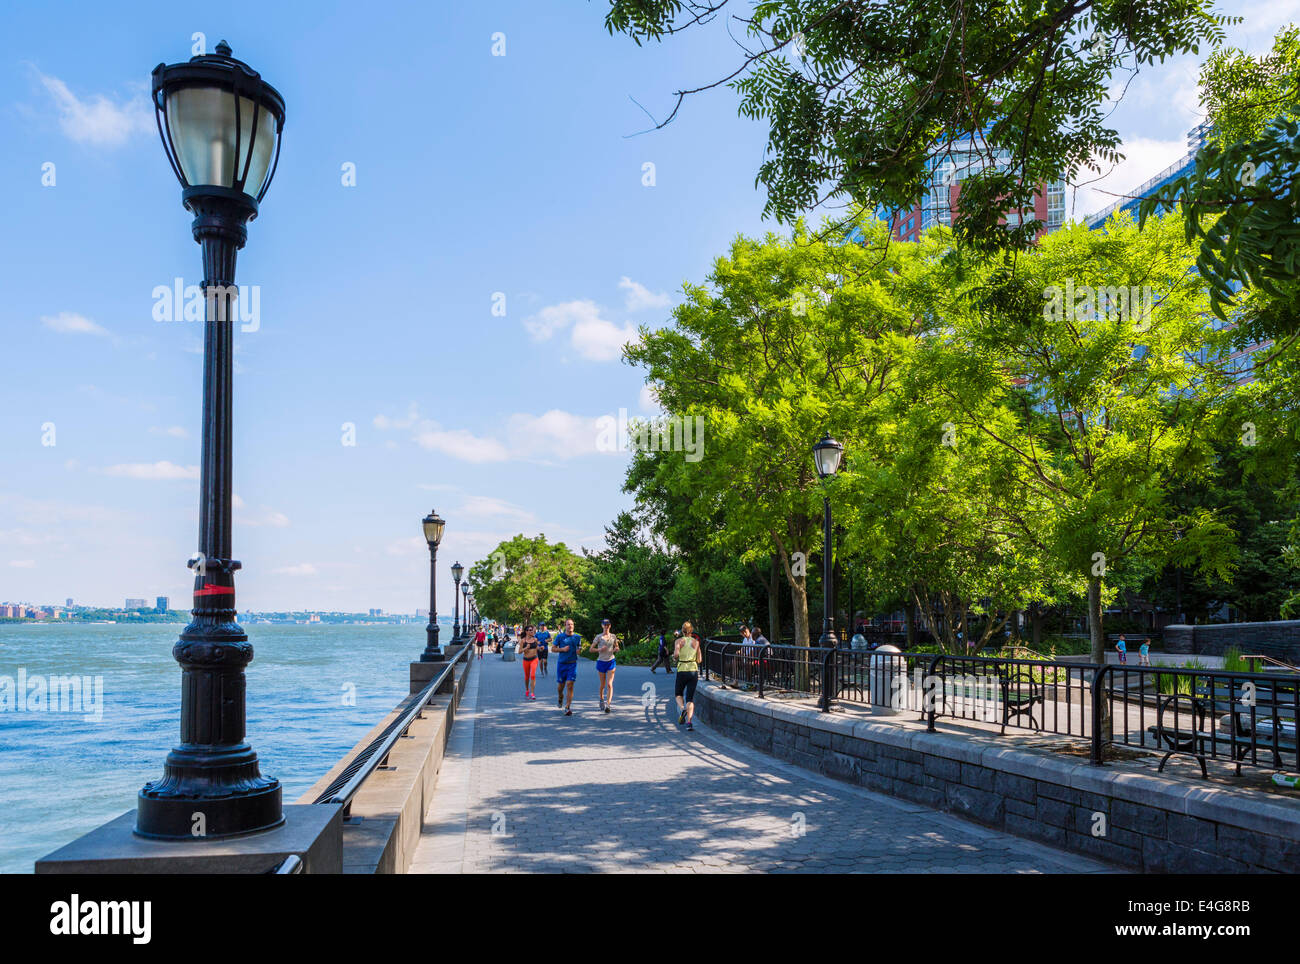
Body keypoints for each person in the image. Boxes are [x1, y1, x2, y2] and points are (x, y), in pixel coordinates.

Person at [673, 621, 701, 731]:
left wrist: (674, 658)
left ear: (682, 631)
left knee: (678, 693)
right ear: (691, 631)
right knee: (690, 698)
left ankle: (682, 708)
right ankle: (689, 722)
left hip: (682, 669)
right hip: (693, 670)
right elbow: (700, 659)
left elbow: (676, 655)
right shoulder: (696, 642)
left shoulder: (679, 641)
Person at [552, 618, 581, 715]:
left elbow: (579, 647)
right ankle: (560, 697)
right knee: (560, 686)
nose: (570, 626)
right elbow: (553, 649)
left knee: (570, 685)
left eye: (572, 624)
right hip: (562, 664)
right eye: (568, 624)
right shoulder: (560, 637)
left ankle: (567, 707)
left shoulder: (577, 637)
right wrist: (563, 649)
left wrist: (579, 650)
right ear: (565, 626)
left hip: (572, 664)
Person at [592, 618, 620, 712]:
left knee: (609, 684)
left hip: (611, 661)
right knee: (603, 685)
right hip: (601, 662)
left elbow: (617, 646)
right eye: (605, 624)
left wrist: (616, 649)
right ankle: (601, 699)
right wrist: (599, 649)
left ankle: (608, 705)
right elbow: (591, 649)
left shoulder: (613, 636)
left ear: (610, 625)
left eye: (608, 624)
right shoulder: (598, 637)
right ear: (602, 626)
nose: (606, 626)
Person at [518, 626, 540, 700]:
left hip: (534, 659)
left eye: (532, 630)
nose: (532, 632)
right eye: (530, 630)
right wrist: (525, 648)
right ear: (526, 632)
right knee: (527, 677)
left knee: (532, 675)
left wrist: (540, 648)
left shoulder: (535, 639)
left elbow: (537, 648)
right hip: (526, 660)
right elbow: (519, 652)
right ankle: (527, 690)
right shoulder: (523, 641)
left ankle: (532, 693)